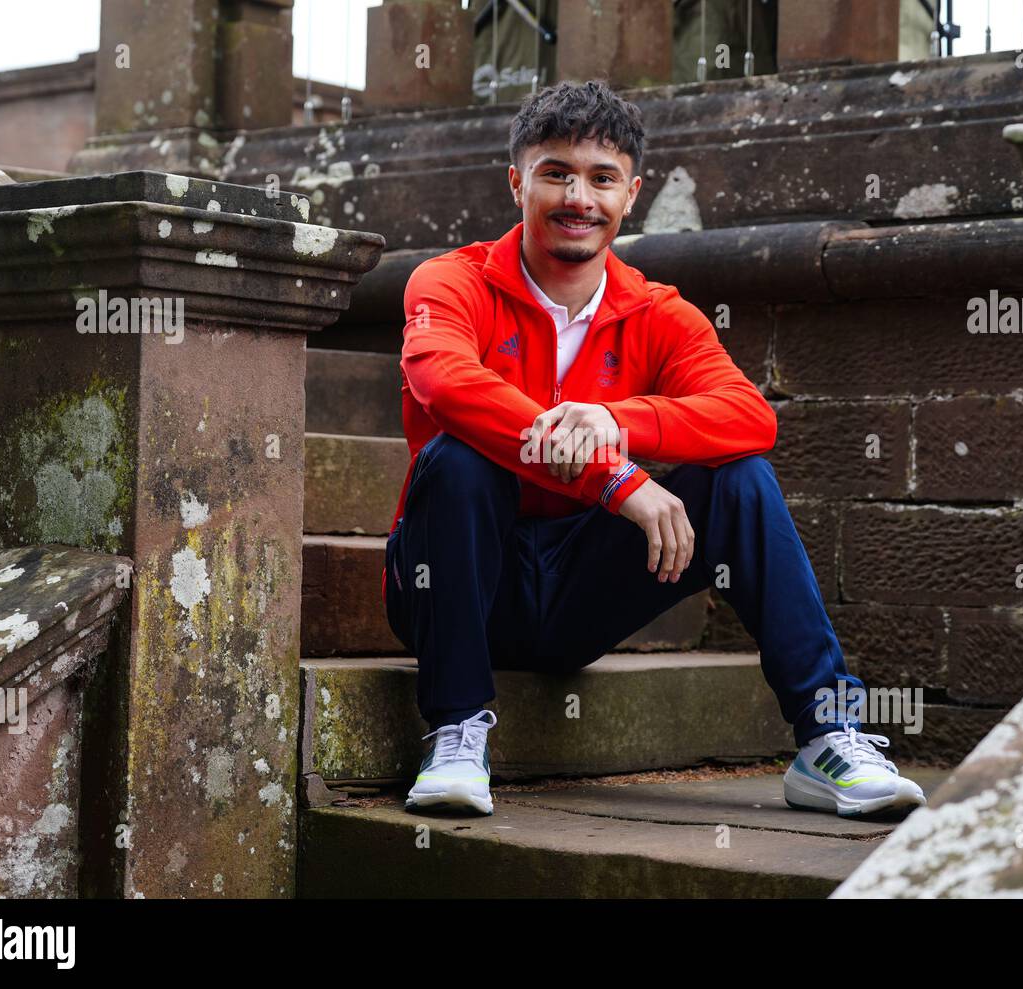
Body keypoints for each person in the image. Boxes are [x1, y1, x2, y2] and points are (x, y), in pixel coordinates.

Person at [383, 79, 926, 819]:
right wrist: (619, 482)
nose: (580, 196)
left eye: (602, 178)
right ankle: (455, 729)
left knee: (741, 477)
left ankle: (828, 736)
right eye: (556, 173)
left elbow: (747, 416)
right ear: (518, 182)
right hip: (458, 582)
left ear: (630, 194)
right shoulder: (452, 280)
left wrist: (618, 423)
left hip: (579, 591)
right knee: (456, 458)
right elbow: (441, 382)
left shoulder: (658, 311)